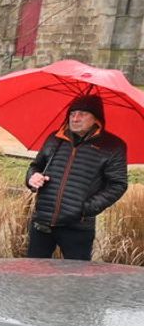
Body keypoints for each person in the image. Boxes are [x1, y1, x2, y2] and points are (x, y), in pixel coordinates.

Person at [24, 94, 128, 261]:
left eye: (82, 114)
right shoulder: (55, 138)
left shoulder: (113, 146)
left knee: (77, 281)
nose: (75, 118)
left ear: (96, 119)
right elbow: (36, 166)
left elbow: (118, 184)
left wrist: (86, 209)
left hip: (78, 227)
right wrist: (32, 177)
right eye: (72, 113)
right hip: (42, 221)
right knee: (33, 275)